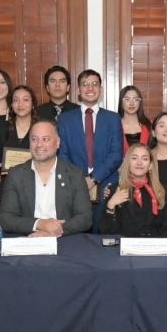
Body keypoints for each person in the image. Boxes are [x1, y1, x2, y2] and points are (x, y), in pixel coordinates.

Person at [0, 119, 92, 236]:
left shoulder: (74, 174)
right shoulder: (16, 174)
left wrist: (52, 232)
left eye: (45, 139)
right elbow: (6, 219)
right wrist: (39, 224)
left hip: (65, 241)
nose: (39, 145)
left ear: (57, 143)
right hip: (27, 240)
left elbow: (85, 218)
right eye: (34, 139)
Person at [57, 69, 124, 226]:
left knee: (105, 232)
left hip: (106, 184)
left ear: (100, 90)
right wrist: (80, 180)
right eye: (85, 84)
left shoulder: (113, 118)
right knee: (76, 234)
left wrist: (93, 178)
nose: (90, 88)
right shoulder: (65, 119)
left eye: (95, 84)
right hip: (74, 185)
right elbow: (62, 153)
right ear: (78, 90)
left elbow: (116, 154)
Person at [102, 143, 167, 236]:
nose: (139, 162)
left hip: (155, 247)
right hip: (124, 248)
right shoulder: (114, 190)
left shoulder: (162, 190)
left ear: (150, 165)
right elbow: (106, 232)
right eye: (134, 158)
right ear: (128, 163)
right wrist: (111, 205)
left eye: (144, 159)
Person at [0, 84, 37, 160]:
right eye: (16, 100)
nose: (20, 104)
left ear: (33, 104)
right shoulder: (0, 128)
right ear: (11, 105)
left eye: (25, 100)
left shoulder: (41, 128)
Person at [118, 85, 151, 152]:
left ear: (140, 102)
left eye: (136, 99)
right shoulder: (114, 125)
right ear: (121, 102)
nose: (131, 103)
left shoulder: (148, 126)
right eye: (127, 99)